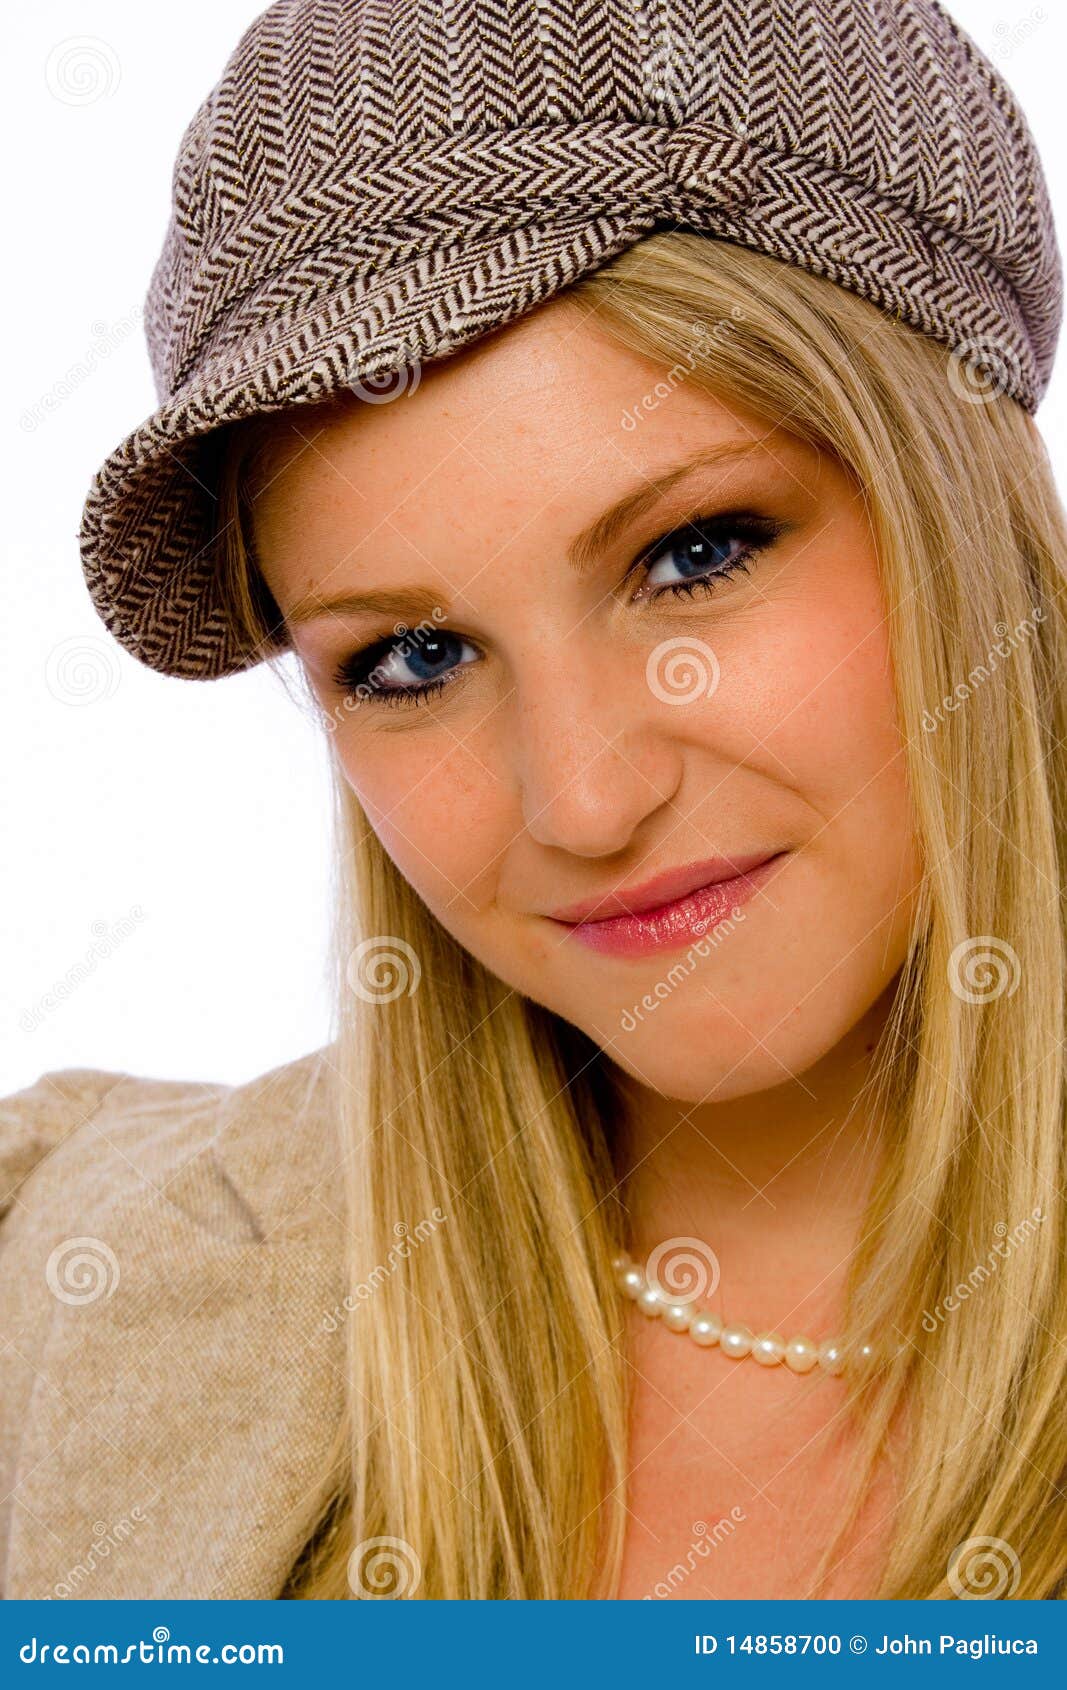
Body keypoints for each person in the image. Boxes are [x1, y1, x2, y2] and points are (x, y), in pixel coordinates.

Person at [3, 0, 1066, 1602]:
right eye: (413, 657)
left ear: (963, 502)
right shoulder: (79, 1286)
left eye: (693, 553)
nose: (582, 798)